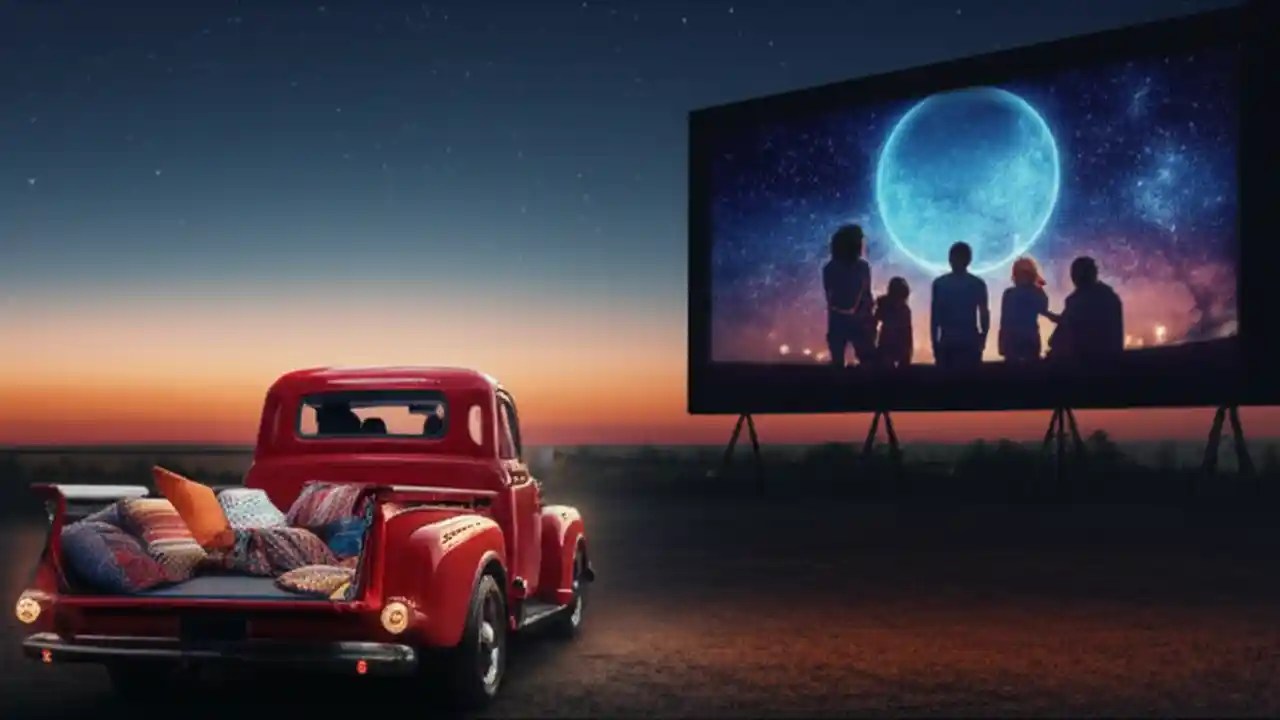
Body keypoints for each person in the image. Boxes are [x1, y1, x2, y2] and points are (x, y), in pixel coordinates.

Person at [1042, 256, 1124, 364]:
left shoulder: (1078, 301)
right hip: (1110, 362)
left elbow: (1068, 330)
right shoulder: (1109, 296)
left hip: (1084, 364)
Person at [930, 241, 990, 370]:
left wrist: (935, 344)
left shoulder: (940, 284)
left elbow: (935, 318)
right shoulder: (977, 283)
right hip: (967, 341)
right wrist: (983, 337)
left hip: (950, 342)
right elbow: (984, 314)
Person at [822, 224, 875, 368]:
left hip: (839, 320)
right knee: (867, 364)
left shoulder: (829, 268)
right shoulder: (863, 267)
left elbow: (830, 297)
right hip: (859, 321)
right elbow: (866, 294)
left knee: (838, 363)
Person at [998, 256, 1049, 364]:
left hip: (1019, 340)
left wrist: (1002, 344)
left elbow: (1005, 321)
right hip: (1025, 339)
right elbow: (1044, 307)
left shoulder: (1010, 294)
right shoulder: (1033, 293)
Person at [874, 276, 913, 369]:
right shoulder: (904, 309)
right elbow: (908, 332)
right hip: (897, 343)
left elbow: (875, 321)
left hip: (888, 343)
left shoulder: (884, 304)